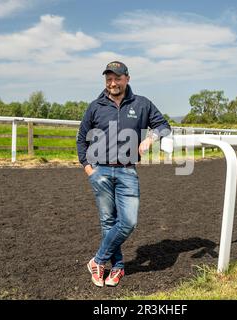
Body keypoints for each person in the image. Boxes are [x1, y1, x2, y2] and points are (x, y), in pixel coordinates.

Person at [76, 61, 171, 287]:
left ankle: (97, 261)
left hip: (128, 170)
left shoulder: (142, 104)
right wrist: (89, 170)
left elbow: (164, 126)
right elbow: (81, 139)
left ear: (127, 78)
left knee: (128, 222)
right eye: (108, 79)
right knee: (108, 221)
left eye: (117, 78)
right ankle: (117, 267)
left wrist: (150, 138)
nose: (112, 83)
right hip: (100, 170)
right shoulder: (95, 106)